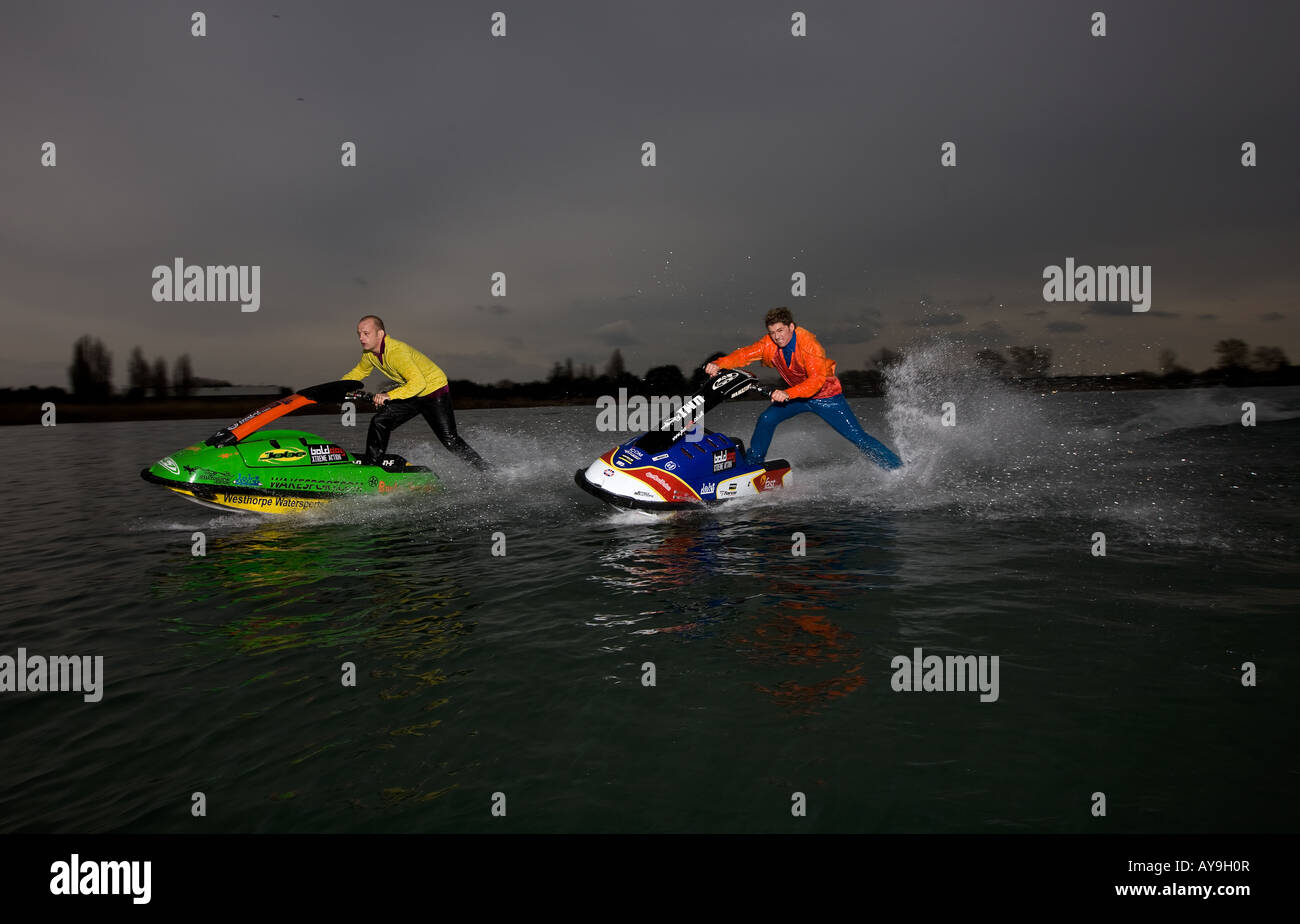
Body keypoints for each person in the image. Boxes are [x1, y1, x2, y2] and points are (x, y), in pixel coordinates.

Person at [704, 307, 902, 470]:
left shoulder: (809, 346)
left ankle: (897, 469)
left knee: (858, 437)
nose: (776, 337)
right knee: (767, 419)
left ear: (791, 327)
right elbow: (744, 355)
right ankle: (753, 467)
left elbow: (816, 382)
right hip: (797, 396)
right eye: (772, 333)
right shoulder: (769, 343)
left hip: (826, 398)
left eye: (780, 331)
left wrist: (787, 393)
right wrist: (720, 363)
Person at [341, 315, 490, 471]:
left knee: (450, 441)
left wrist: (389, 395)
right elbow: (359, 371)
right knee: (380, 421)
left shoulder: (396, 352)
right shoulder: (369, 354)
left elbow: (419, 383)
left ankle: (485, 470)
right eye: (359, 334)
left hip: (434, 391)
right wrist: (340, 386)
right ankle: (373, 466)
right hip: (411, 393)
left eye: (366, 333)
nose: (361, 338)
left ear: (380, 334)